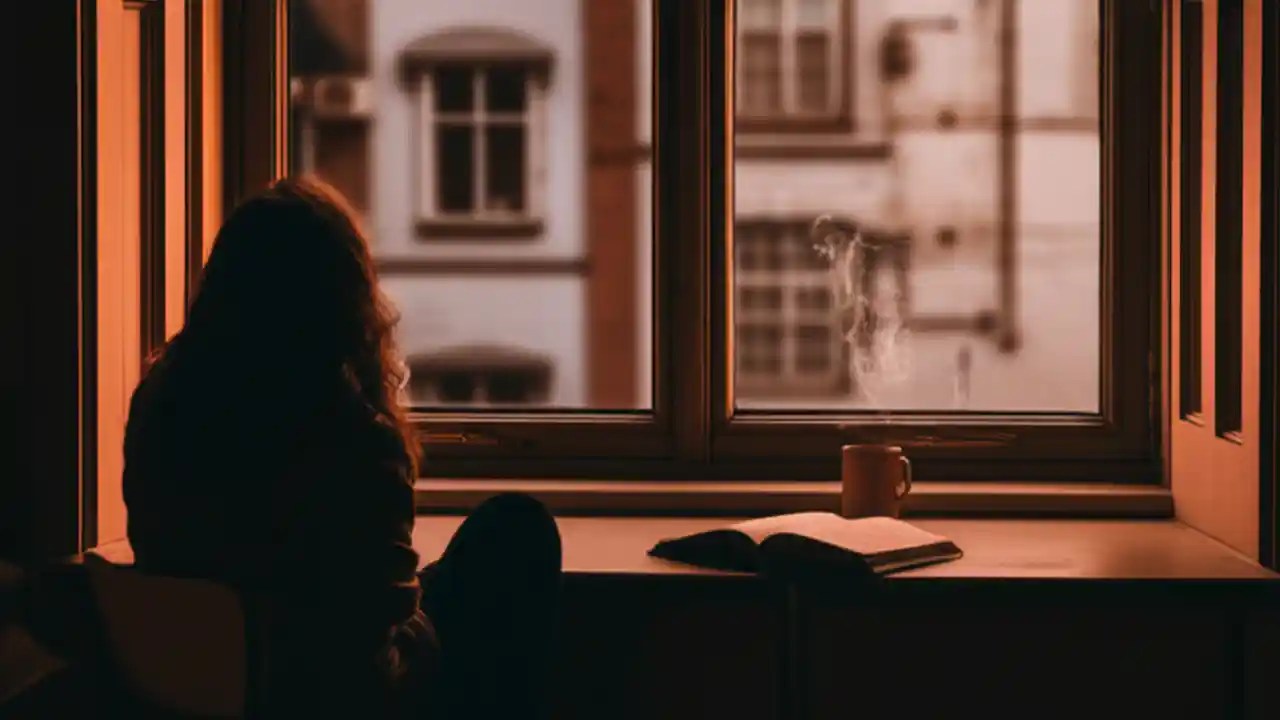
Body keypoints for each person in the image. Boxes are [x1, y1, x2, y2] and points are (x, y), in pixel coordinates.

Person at [121, 177, 561, 717]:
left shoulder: (160, 407)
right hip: (333, 697)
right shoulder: (352, 441)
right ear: (345, 303)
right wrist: (424, 632)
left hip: (218, 689)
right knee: (516, 530)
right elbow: (369, 654)